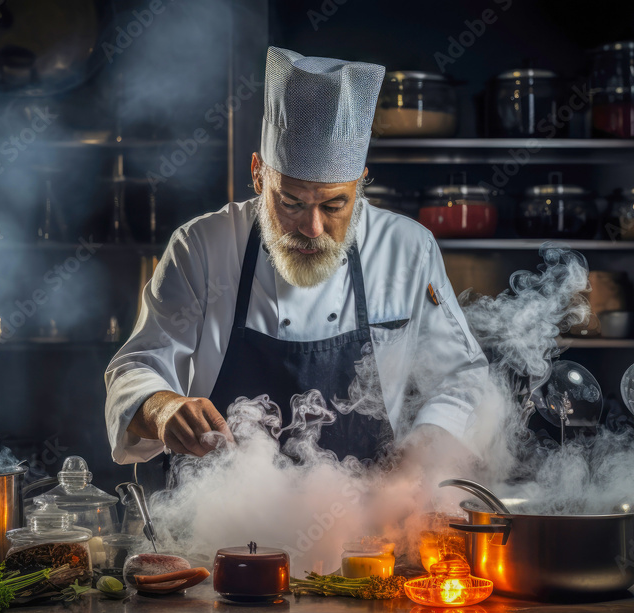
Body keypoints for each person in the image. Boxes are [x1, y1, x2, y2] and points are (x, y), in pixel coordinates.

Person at [105, 46, 488, 481]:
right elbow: (135, 368)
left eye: (335, 205)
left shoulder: (407, 249)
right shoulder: (201, 247)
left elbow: (463, 377)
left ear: (360, 185)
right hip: (220, 524)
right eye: (291, 202)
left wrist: (424, 450)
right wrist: (162, 408)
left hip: (367, 529)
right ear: (258, 174)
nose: (312, 227)